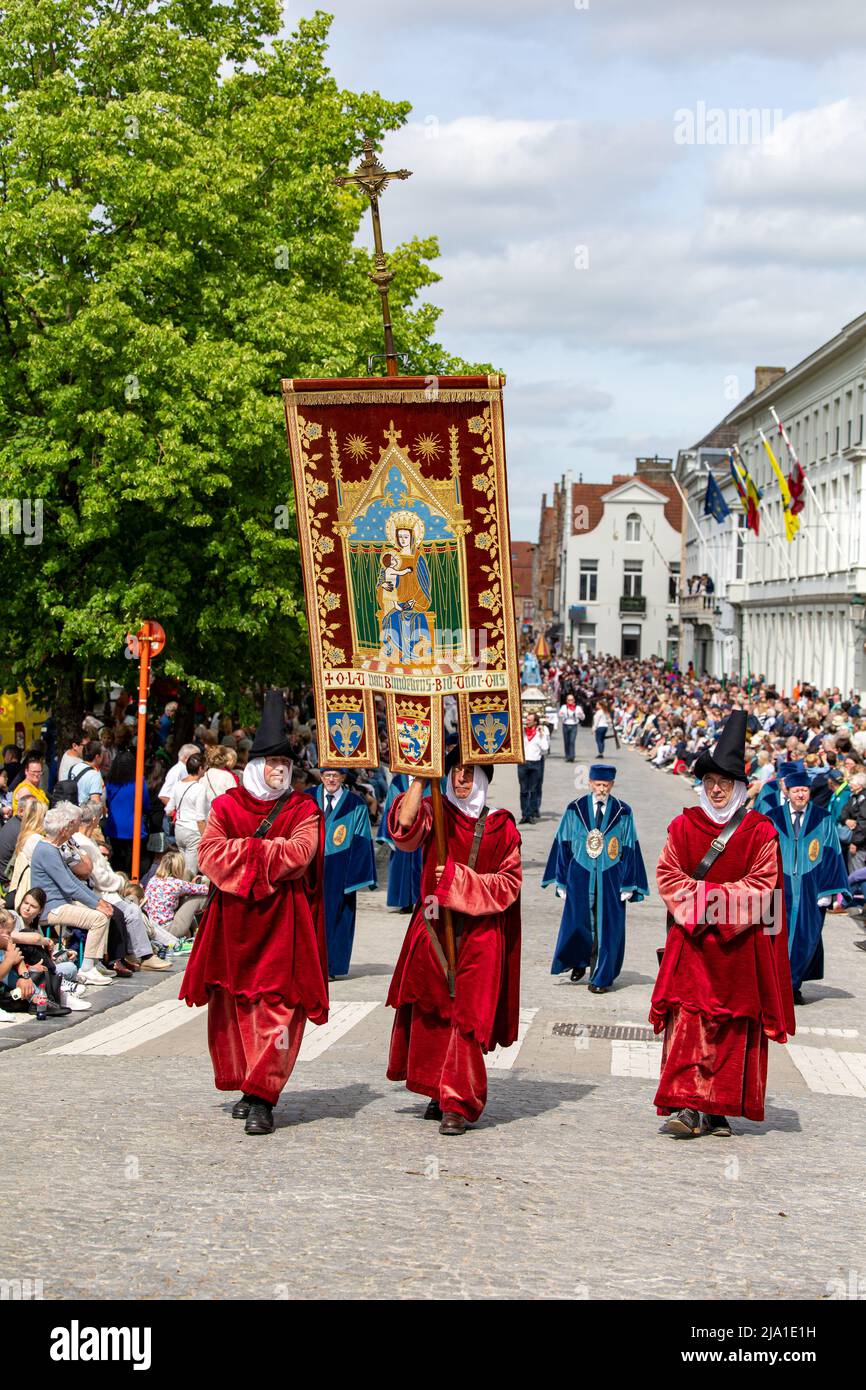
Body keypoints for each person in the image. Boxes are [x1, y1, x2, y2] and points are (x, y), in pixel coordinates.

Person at [179, 691, 328, 1137]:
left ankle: (264, 1094)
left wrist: (244, 853)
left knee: (278, 1009)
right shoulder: (226, 807)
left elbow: (301, 854)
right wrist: (267, 853)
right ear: (255, 766)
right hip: (233, 926)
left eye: (285, 764)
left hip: (285, 925)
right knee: (237, 1006)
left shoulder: (304, 809)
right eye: (271, 763)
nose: (279, 770)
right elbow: (208, 854)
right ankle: (249, 1085)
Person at [650, 711, 795, 1138]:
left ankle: (716, 1108)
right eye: (710, 782)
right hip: (692, 947)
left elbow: (763, 887)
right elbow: (668, 875)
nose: (716, 790)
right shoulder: (683, 825)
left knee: (732, 1026)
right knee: (690, 1022)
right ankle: (688, 1104)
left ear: (739, 787)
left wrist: (706, 902)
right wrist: (707, 906)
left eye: (725, 784)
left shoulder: (759, 832)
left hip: (736, 949)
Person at [385, 749, 521, 1136]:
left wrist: (460, 881)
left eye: (469, 772)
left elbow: (508, 884)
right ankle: (437, 1088)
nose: (461, 779)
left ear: (483, 778)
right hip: (432, 923)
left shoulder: (502, 827)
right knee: (433, 1009)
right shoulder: (434, 810)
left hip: (481, 934)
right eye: (455, 772)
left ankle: (458, 1103)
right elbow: (404, 831)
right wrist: (418, 775)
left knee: (467, 1018)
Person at [542, 763, 648, 993]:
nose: (601, 788)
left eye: (606, 785)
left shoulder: (623, 811)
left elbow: (630, 846)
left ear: (612, 785)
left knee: (609, 927)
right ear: (590, 783)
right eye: (598, 784)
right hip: (580, 873)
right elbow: (564, 843)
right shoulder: (575, 809)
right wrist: (560, 880)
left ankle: (601, 977)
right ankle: (579, 961)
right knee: (578, 923)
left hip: (611, 876)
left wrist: (629, 882)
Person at [764, 771, 851, 1004]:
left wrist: (829, 890)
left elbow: (833, 854)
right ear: (788, 792)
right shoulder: (773, 817)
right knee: (774, 938)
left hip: (811, 890)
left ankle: (793, 985)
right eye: (796, 790)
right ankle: (776, 986)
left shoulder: (822, 819)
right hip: (778, 889)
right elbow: (761, 853)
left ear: (809, 792)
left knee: (807, 938)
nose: (800, 794)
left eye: (804, 790)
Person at [306, 768, 376, 978]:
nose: (331, 779)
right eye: (327, 775)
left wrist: (355, 876)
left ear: (344, 778)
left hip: (340, 868)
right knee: (307, 916)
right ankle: (307, 965)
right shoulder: (307, 798)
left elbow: (362, 840)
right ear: (321, 776)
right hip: (308, 867)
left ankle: (330, 967)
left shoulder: (356, 804)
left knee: (336, 916)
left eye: (336, 775)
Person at [376, 774, 429, 912]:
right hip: (402, 832)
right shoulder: (398, 781)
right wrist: (387, 834)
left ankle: (422, 901)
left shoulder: (434, 779)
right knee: (402, 866)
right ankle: (404, 902)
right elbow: (390, 806)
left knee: (424, 866)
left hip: (425, 832)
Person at [104, 750, 150, 877]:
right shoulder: (139, 781)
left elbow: (107, 801)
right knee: (132, 862)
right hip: (133, 828)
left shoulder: (111, 782)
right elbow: (145, 803)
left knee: (118, 861)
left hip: (115, 828)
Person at [164, 753, 207, 874]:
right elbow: (200, 818)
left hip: (179, 830)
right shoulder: (200, 788)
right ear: (200, 769)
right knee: (191, 872)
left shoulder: (178, 784)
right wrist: (206, 838)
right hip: (193, 831)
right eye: (205, 767)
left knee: (183, 869)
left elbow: (168, 809)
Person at [518, 711, 549, 825]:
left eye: (529, 720)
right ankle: (524, 815)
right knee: (523, 791)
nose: (527, 721)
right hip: (523, 763)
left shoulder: (540, 733)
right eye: (527, 719)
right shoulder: (523, 731)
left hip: (536, 764)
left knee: (533, 790)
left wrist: (542, 735)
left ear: (535, 722)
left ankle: (531, 814)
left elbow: (545, 748)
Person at [559, 693, 583, 763]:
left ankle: (572, 756)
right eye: (569, 700)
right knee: (566, 741)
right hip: (565, 725)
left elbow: (583, 717)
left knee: (572, 741)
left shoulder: (578, 708)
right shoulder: (564, 707)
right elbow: (559, 714)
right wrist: (562, 714)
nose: (570, 701)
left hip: (574, 725)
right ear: (566, 701)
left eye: (571, 700)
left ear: (574, 700)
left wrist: (580, 715)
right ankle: (567, 756)